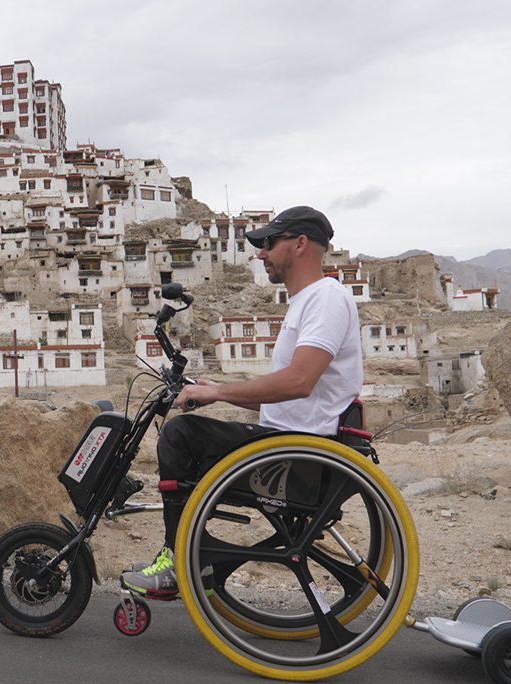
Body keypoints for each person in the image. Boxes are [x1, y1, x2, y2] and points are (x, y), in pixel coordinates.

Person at [121, 206, 363, 598]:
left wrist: (216, 393)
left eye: (269, 243)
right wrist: (217, 391)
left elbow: (299, 382)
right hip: (292, 444)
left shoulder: (326, 298)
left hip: (299, 458)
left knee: (180, 436)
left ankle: (179, 559)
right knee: (194, 437)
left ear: (300, 245)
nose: (261, 253)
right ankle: (191, 555)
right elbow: (292, 394)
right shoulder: (308, 302)